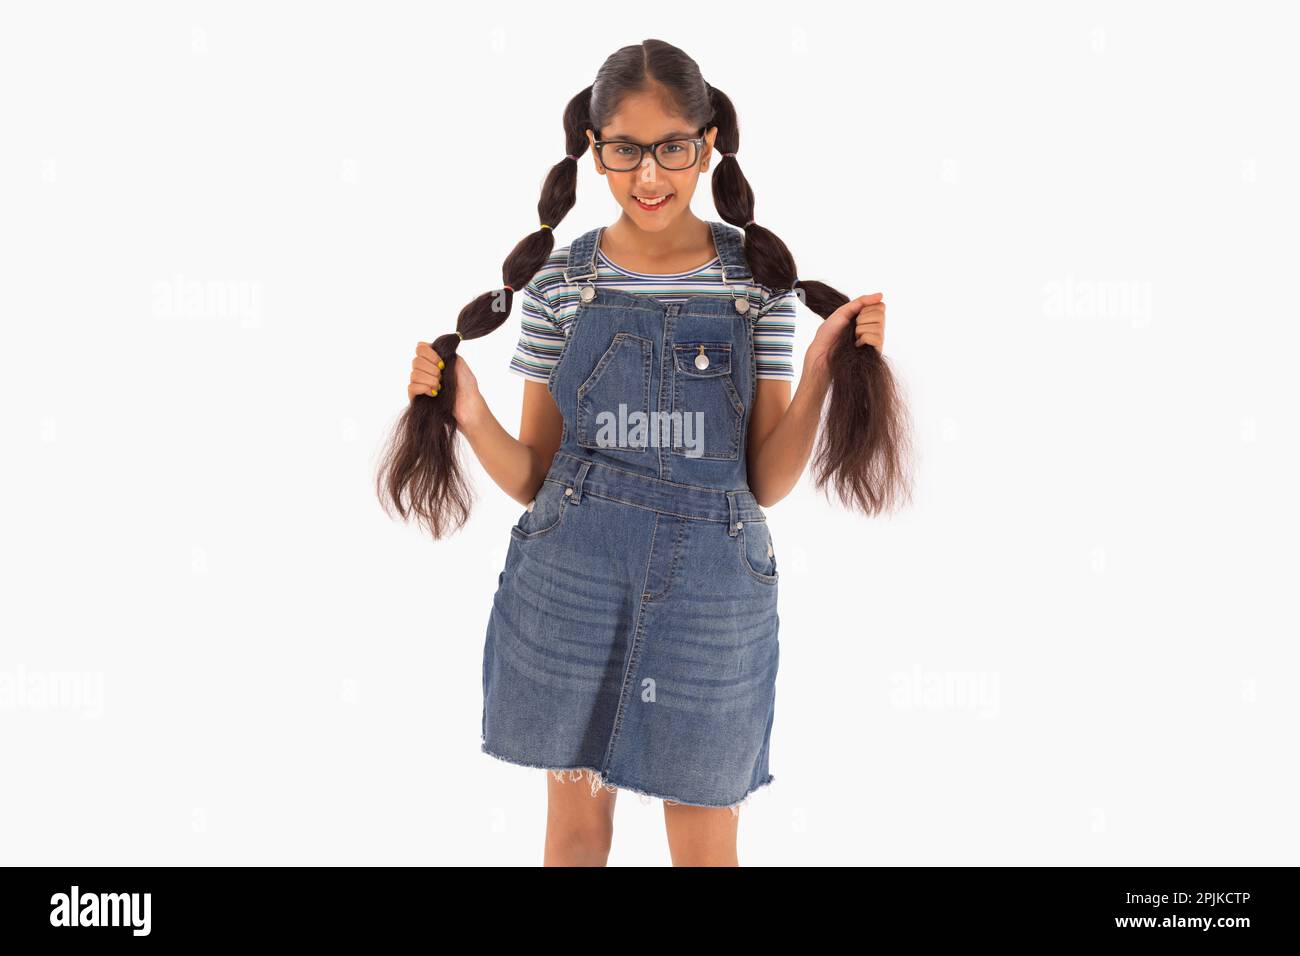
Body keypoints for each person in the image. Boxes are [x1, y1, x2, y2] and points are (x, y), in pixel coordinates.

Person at [378, 39, 909, 866]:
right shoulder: (558, 284)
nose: (650, 177)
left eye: (672, 149)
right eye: (624, 151)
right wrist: (472, 416)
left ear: (708, 145)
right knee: (577, 834)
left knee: (704, 838)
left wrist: (818, 375)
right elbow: (537, 480)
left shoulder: (756, 283)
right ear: (594, 151)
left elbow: (763, 483)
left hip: (712, 590)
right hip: (572, 579)